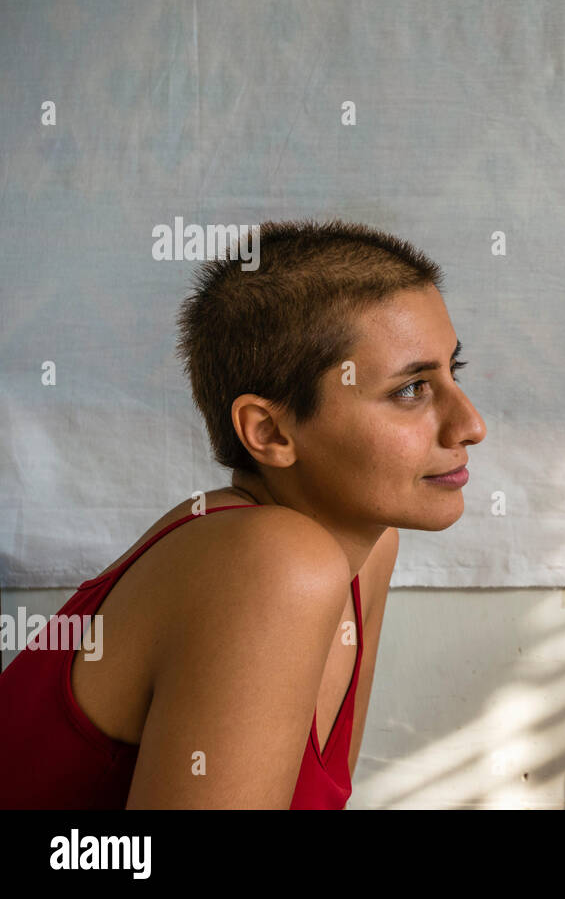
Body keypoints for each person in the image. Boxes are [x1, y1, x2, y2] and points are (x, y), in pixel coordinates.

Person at [0, 219, 486, 808]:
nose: (471, 426)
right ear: (270, 431)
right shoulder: (272, 561)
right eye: (410, 389)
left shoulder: (368, 549)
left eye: (452, 371)